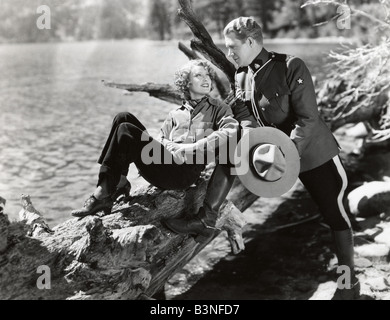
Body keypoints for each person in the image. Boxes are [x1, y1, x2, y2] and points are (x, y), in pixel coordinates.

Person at [165, 17, 359, 300]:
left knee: (336, 217)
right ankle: (206, 218)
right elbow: (244, 116)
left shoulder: (291, 66)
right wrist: (248, 140)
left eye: (233, 47)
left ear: (252, 42)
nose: (229, 52)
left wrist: (282, 152)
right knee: (230, 150)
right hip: (270, 155)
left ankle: (348, 287)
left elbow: (309, 119)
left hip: (315, 155)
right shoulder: (241, 76)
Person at [71, 59, 239, 227]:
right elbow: (161, 138)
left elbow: (231, 130)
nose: (206, 79)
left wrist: (190, 147)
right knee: (123, 118)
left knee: (126, 130)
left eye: (208, 75)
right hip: (165, 166)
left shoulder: (218, 108)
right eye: (199, 75)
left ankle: (102, 194)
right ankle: (120, 181)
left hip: (184, 174)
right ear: (186, 83)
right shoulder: (175, 114)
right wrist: (169, 147)